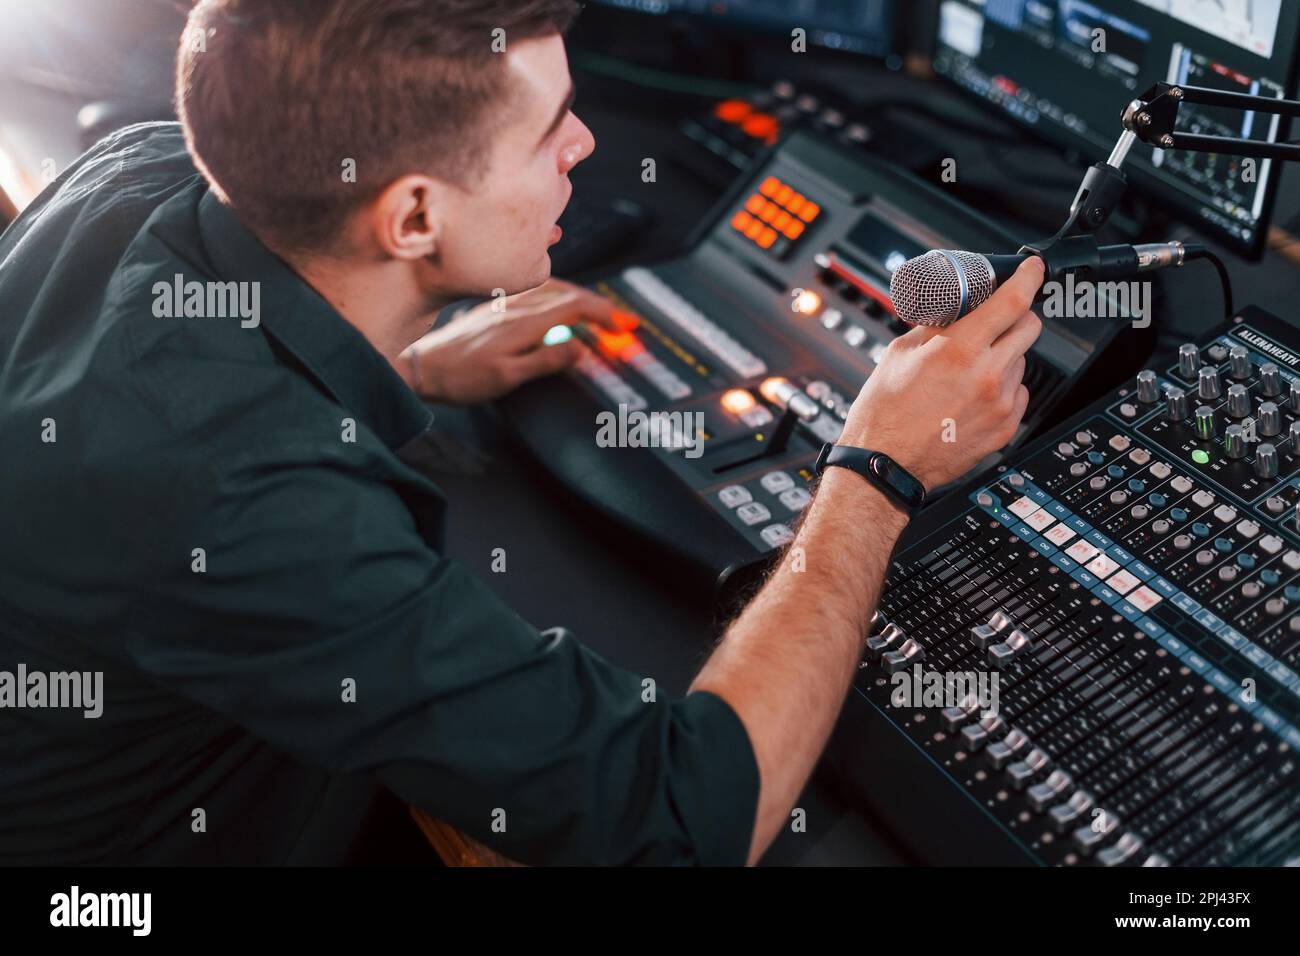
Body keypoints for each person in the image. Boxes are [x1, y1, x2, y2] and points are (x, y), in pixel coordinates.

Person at [0, 0, 1043, 864]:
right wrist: (872, 470)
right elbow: (682, 818)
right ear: (411, 218)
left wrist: (411, 364)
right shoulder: (249, 500)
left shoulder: (136, 170)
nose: (585, 143)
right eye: (549, 129)